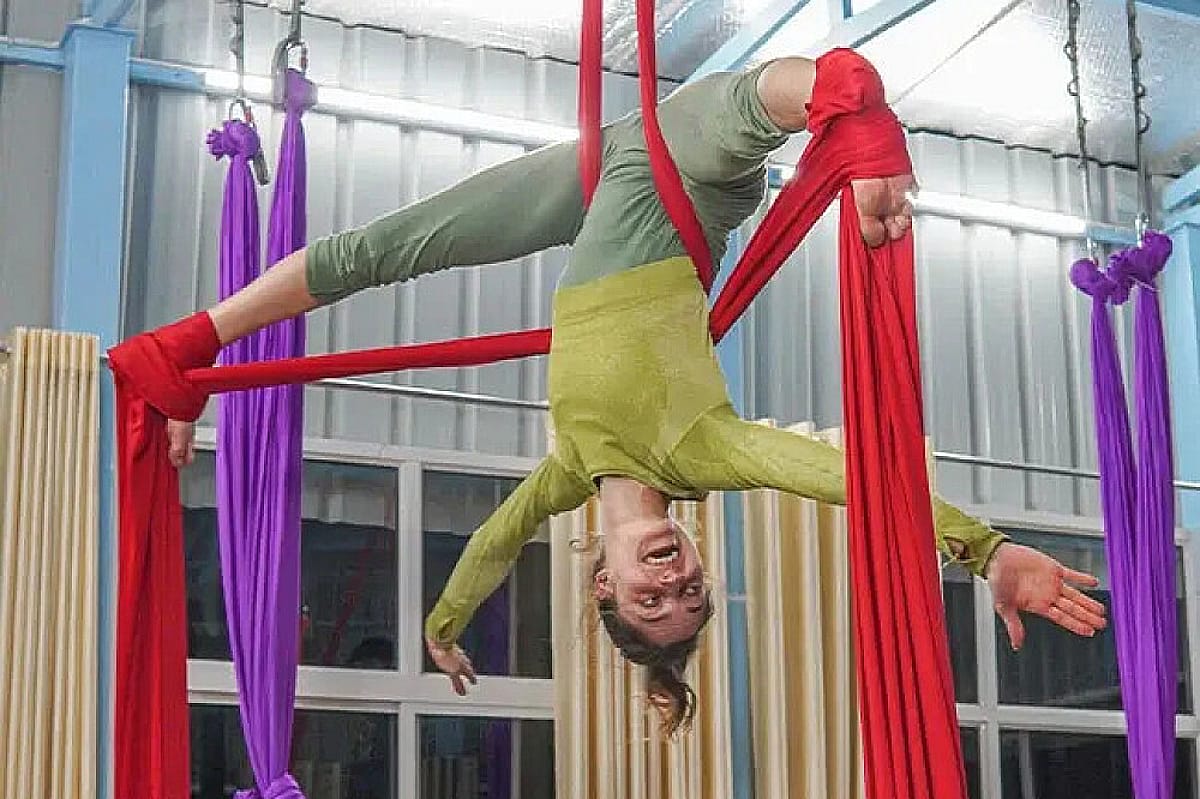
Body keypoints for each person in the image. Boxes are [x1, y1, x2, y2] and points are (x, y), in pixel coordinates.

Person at [162, 51, 1107, 734]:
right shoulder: (702, 450)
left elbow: (493, 545)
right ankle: (857, 134)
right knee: (826, 86)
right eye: (693, 591)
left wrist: (443, 630)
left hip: (599, 181)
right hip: (681, 179)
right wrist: (982, 550)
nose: (675, 581)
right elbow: (853, 477)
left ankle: (190, 345)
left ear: (604, 581)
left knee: (377, 251)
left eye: (653, 601)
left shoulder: (569, 470)